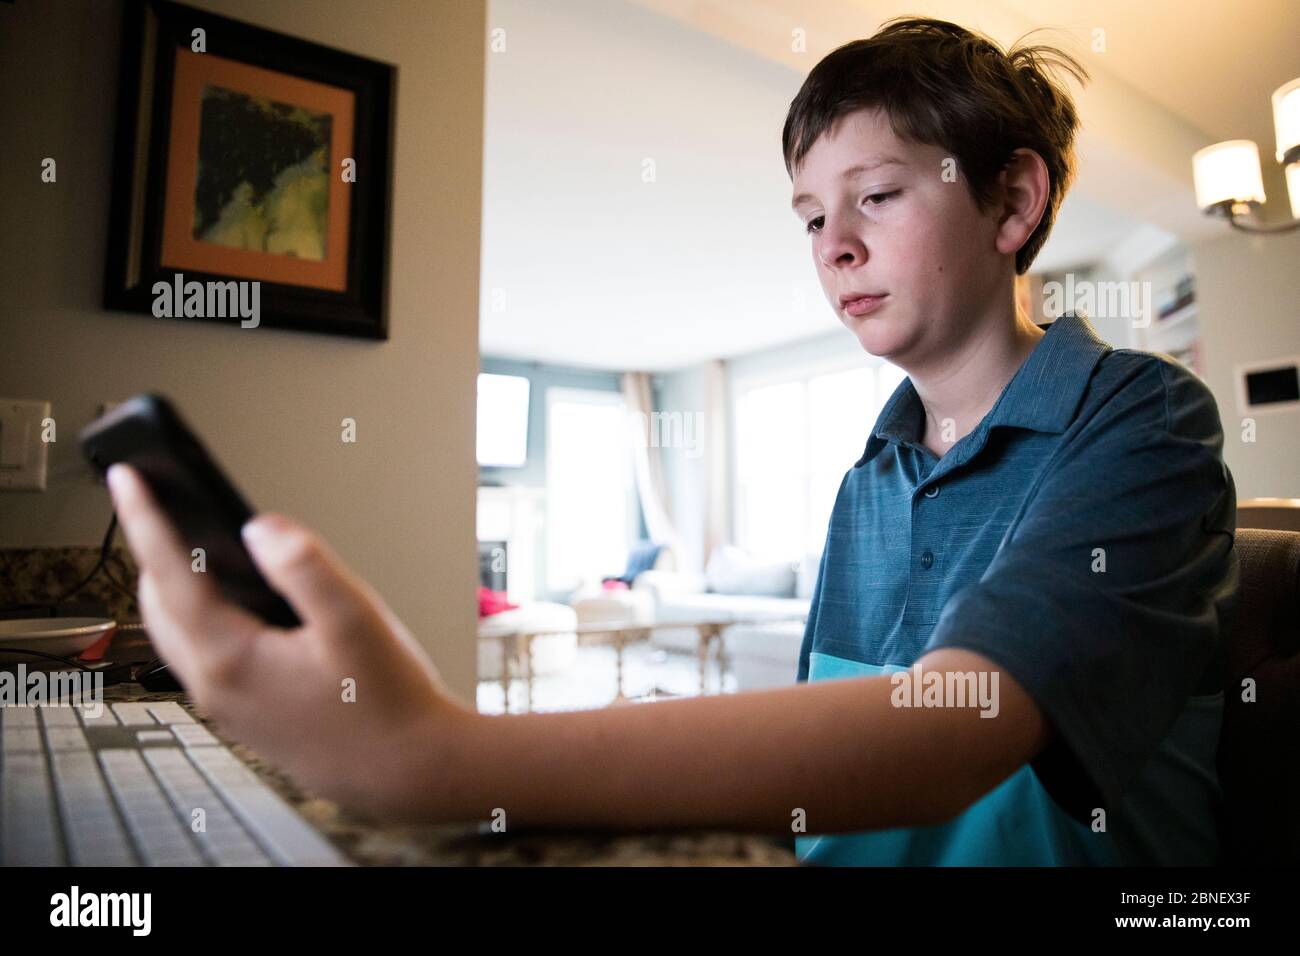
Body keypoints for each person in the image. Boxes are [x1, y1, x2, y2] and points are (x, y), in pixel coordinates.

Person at [106, 17, 1238, 865]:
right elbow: (817, 767)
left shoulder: (1139, 416)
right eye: (807, 216)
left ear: (1011, 203)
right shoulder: (871, 473)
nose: (831, 245)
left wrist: (434, 754)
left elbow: (961, 727)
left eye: (877, 195)